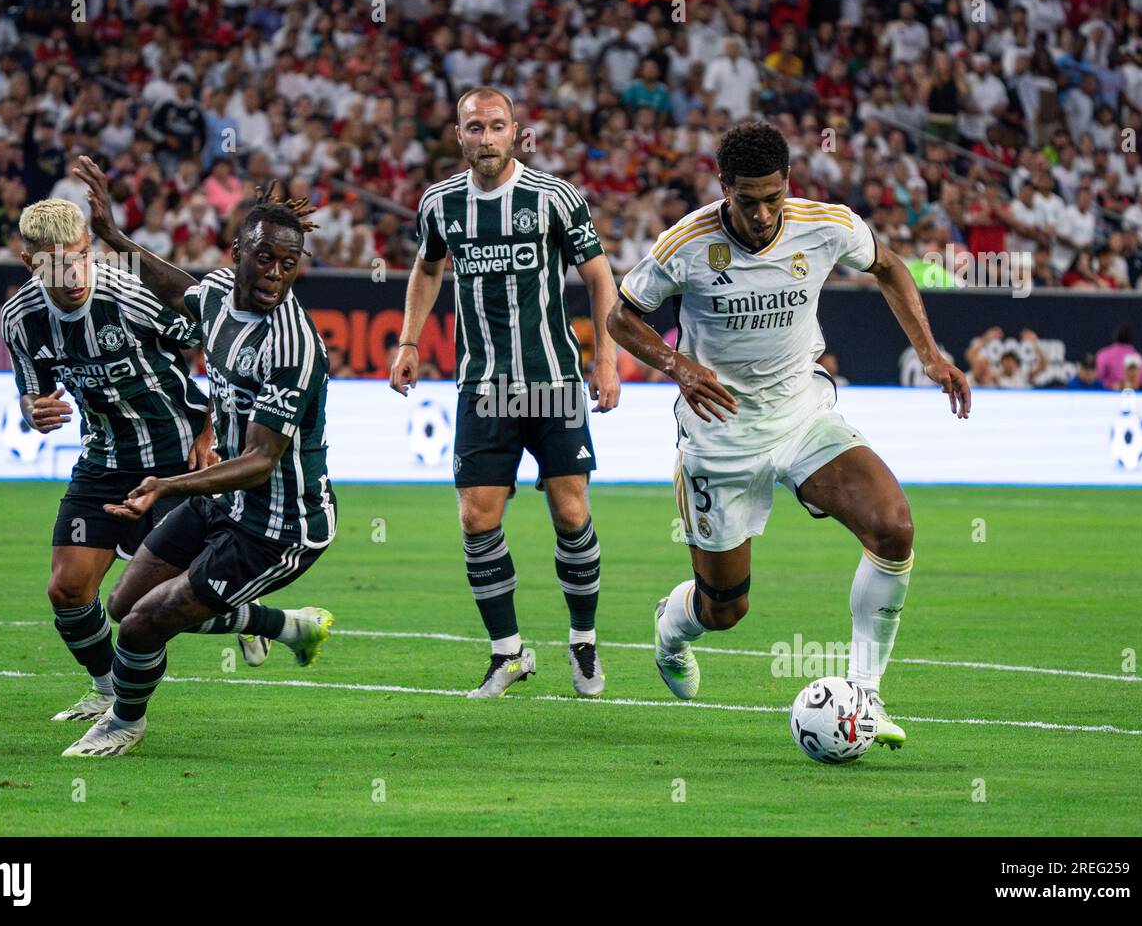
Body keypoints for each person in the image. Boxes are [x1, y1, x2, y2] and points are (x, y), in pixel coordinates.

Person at [607, 121, 971, 750]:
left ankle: (867, 694)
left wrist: (932, 355)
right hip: (720, 433)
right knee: (726, 609)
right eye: (747, 200)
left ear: (787, 185)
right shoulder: (685, 244)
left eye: (773, 197)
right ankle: (670, 628)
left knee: (894, 527)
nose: (761, 213)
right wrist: (679, 367)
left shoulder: (825, 224)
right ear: (724, 188)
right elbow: (620, 316)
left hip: (802, 413)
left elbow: (889, 268)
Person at [58, 158, 338, 757]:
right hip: (223, 502)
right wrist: (111, 237)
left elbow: (263, 459)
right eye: (265, 258)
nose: (275, 275)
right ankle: (287, 626)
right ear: (238, 251)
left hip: (279, 527)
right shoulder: (215, 295)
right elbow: (175, 284)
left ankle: (125, 722)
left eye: (289, 265)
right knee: (120, 605)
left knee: (140, 627)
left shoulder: (293, 346)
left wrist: (169, 485)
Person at [389, 87, 621, 699]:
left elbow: (600, 278)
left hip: (553, 382)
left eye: (496, 126)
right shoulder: (439, 204)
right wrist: (410, 341)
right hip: (483, 386)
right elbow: (428, 266)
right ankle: (508, 652)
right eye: (475, 127)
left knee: (571, 512)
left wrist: (607, 360)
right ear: (458, 134)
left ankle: (583, 643)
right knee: (476, 517)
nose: (486, 137)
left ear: (517, 131)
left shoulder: (554, 198)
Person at [1, 197, 217, 723]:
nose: (74, 272)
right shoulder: (20, 320)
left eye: (81, 255)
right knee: (67, 589)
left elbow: (219, 342)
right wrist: (36, 411)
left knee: (159, 597)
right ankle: (105, 689)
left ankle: (268, 620)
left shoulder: (131, 296)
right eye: (57, 262)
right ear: (32, 264)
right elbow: (33, 393)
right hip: (102, 459)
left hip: (174, 456)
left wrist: (211, 430)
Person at [1096, 323, 1142, 390]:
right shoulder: (1138, 356)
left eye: (1134, 370)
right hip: (1109, 395)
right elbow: (1097, 380)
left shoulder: (1104, 354)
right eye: (1129, 369)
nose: (1131, 373)